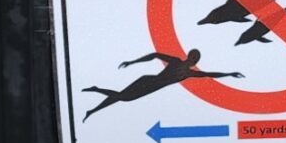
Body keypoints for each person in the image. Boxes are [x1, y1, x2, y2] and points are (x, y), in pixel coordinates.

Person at [82, 49, 243, 119]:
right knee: (123, 98)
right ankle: (96, 91)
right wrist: (132, 62)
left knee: (121, 96)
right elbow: (210, 74)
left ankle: (93, 109)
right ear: (194, 60)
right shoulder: (188, 72)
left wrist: (132, 62)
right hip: (151, 84)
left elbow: (154, 55)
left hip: (147, 79)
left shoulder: (180, 64)